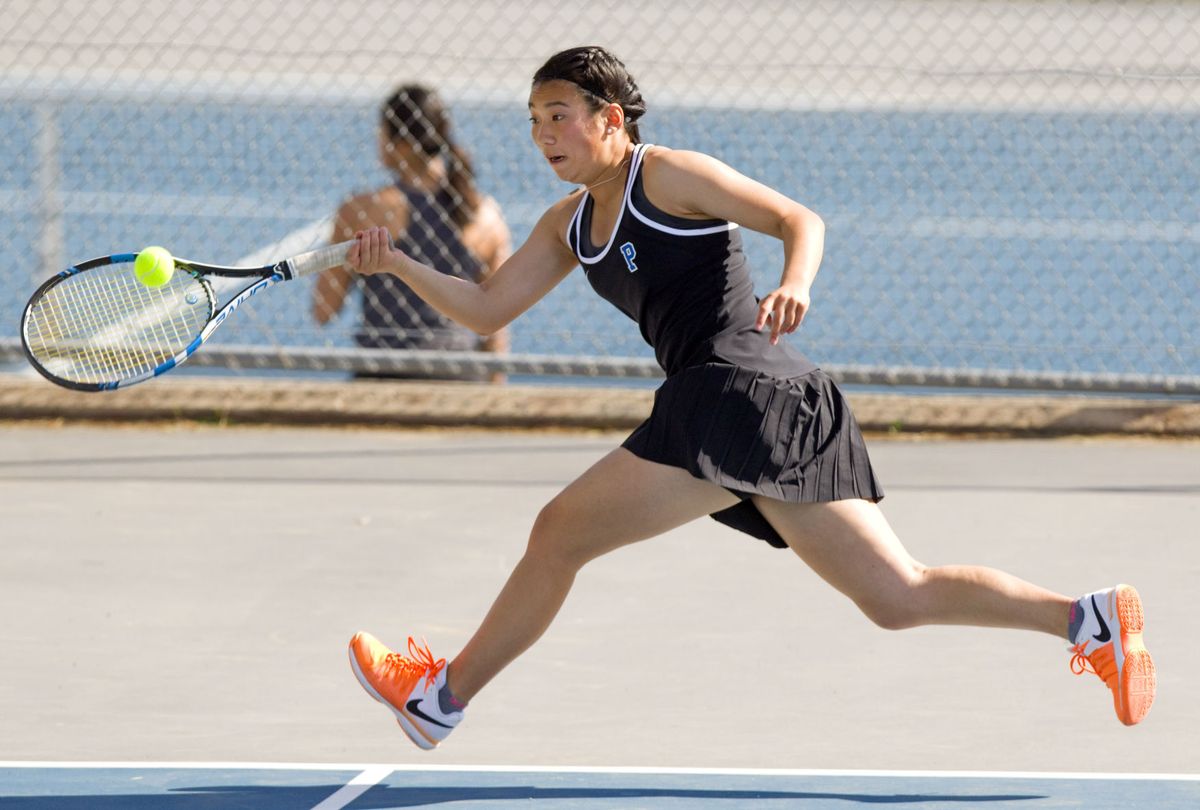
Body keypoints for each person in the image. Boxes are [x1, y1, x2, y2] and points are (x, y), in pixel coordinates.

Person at [343, 46, 1156, 749]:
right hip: (752, 406)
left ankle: (438, 701)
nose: (543, 135)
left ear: (611, 118)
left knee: (558, 534)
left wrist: (795, 283)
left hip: (740, 392)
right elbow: (488, 307)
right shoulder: (567, 224)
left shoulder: (665, 173)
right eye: (532, 120)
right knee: (895, 596)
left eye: (559, 115)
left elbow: (799, 219)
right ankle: (1089, 622)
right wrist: (400, 265)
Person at [313, 84, 510, 381]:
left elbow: (323, 309)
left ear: (400, 143)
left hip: (382, 375)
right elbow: (496, 326)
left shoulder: (362, 211)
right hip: (460, 378)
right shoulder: (486, 216)